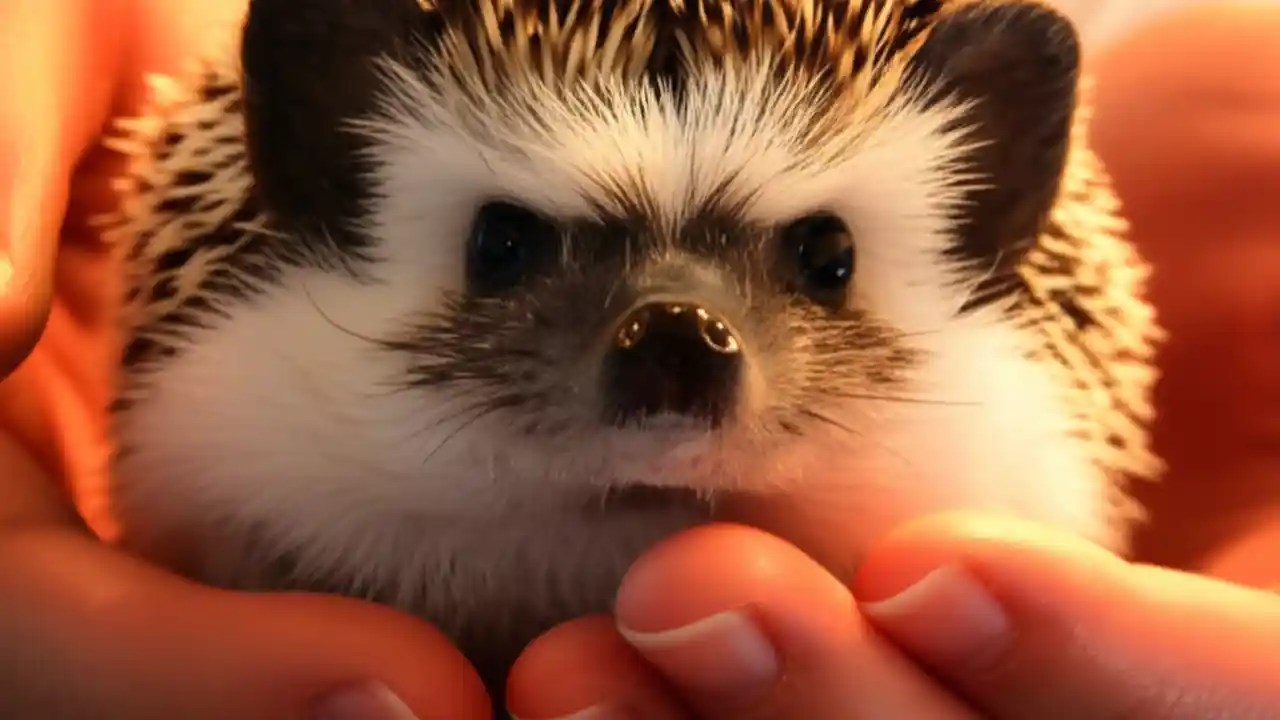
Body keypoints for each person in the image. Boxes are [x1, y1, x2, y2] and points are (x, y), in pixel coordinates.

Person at [0, 1, 1276, 718]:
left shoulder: (1001, 429)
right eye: (507, 248)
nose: (674, 344)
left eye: (817, 263)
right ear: (326, 182)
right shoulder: (245, 398)